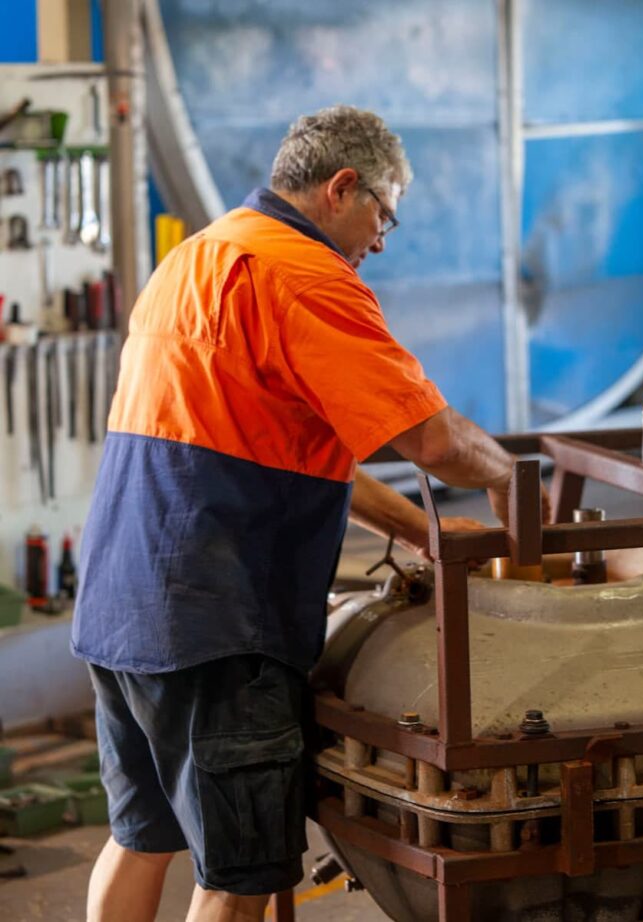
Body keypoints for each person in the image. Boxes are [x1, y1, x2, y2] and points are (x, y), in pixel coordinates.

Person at [71, 105, 548, 922]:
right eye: (385, 212)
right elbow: (428, 436)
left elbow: (288, 446)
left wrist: (421, 531)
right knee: (239, 877)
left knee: (139, 836)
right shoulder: (306, 274)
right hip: (217, 631)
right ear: (341, 188)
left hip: (121, 608)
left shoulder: (200, 255)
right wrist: (510, 480)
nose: (384, 238)